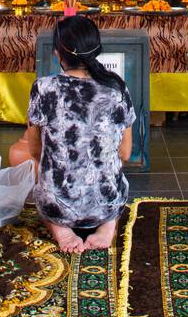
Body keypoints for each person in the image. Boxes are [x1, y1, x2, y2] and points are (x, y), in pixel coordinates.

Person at [13, 16, 135, 254]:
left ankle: (61, 229)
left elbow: (35, 151)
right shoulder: (117, 87)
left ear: (58, 53)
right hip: (107, 200)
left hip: (58, 204)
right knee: (113, 187)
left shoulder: (44, 87)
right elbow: (126, 154)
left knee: (43, 186)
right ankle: (107, 224)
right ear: (96, 49)